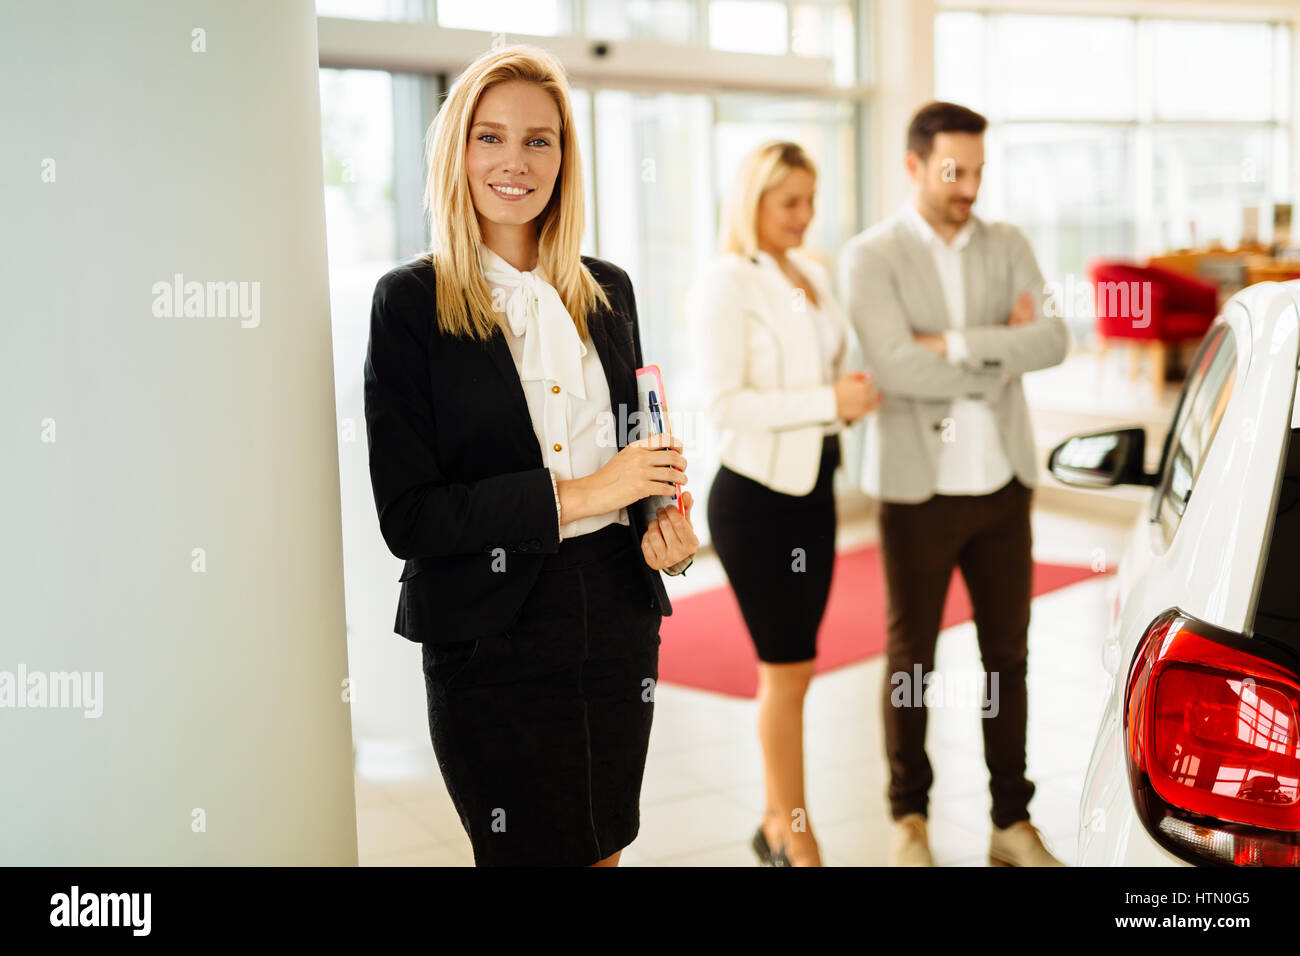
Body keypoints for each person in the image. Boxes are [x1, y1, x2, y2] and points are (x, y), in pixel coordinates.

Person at [363, 44, 697, 867]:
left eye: (540, 140)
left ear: (564, 157)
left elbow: (637, 449)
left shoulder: (607, 289)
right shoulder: (410, 303)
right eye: (491, 137)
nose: (516, 161)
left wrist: (662, 523)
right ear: (457, 150)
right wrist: (584, 493)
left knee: (604, 846)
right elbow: (412, 516)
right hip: (490, 636)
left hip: (616, 617)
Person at [839, 102, 1069, 866]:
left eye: (976, 171)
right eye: (952, 171)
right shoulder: (870, 257)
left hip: (1004, 483)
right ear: (914, 166)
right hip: (916, 489)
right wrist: (996, 356)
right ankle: (910, 817)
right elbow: (893, 365)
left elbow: (1054, 340)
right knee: (912, 660)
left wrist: (959, 343)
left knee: (1008, 655)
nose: (968, 185)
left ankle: (1011, 819)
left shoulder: (1009, 244)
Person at [690, 141, 878, 867]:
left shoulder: (813, 275)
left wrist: (844, 407)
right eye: (789, 202)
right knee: (786, 667)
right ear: (753, 202)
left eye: (810, 200)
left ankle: (775, 821)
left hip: (813, 491)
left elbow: (815, 384)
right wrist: (830, 400)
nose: (806, 216)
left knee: (796, 666)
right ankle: (795, 833)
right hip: (756, 499)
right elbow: (725, 405)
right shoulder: (726, 282)